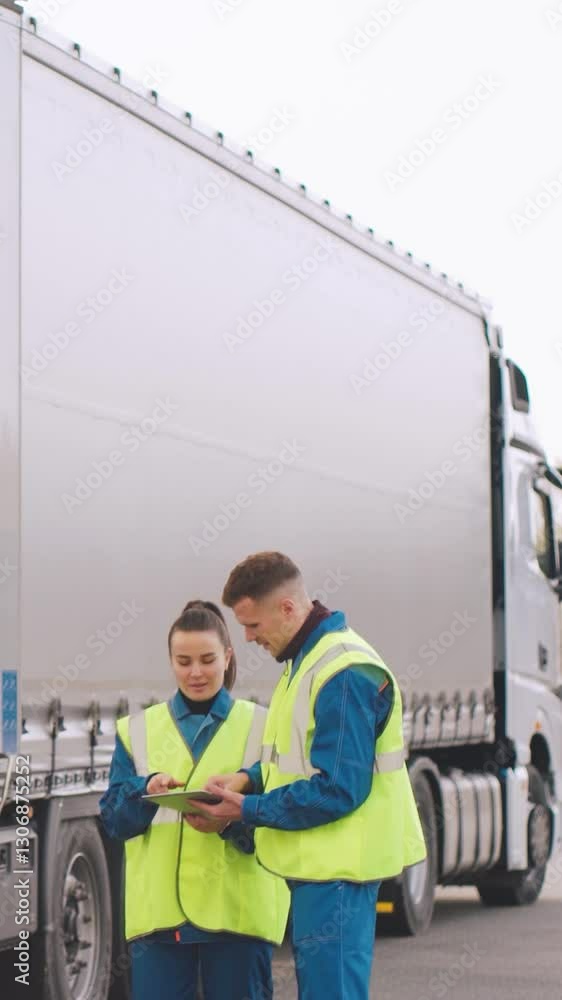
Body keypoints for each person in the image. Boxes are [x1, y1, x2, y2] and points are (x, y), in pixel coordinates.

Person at [199, 552, 427, 1000]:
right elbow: (295, 762)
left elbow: (339, 788)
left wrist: (246, 809)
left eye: (253, 625)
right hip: (324, 870)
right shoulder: (307, 662)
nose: (247, 638)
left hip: (339, 872)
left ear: (287, 608)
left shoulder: (341, 672)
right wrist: (248, 780)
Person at [99, 599, 289, 1000]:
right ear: (170, 661)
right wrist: (146, 791)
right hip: (160, 921)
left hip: (238, 916)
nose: (196, 672)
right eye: (183, 661)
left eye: (207, 659)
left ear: (228, 657)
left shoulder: (264, 725)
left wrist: (233, 818)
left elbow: (285, 812)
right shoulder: (137, 731)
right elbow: (114, 821)